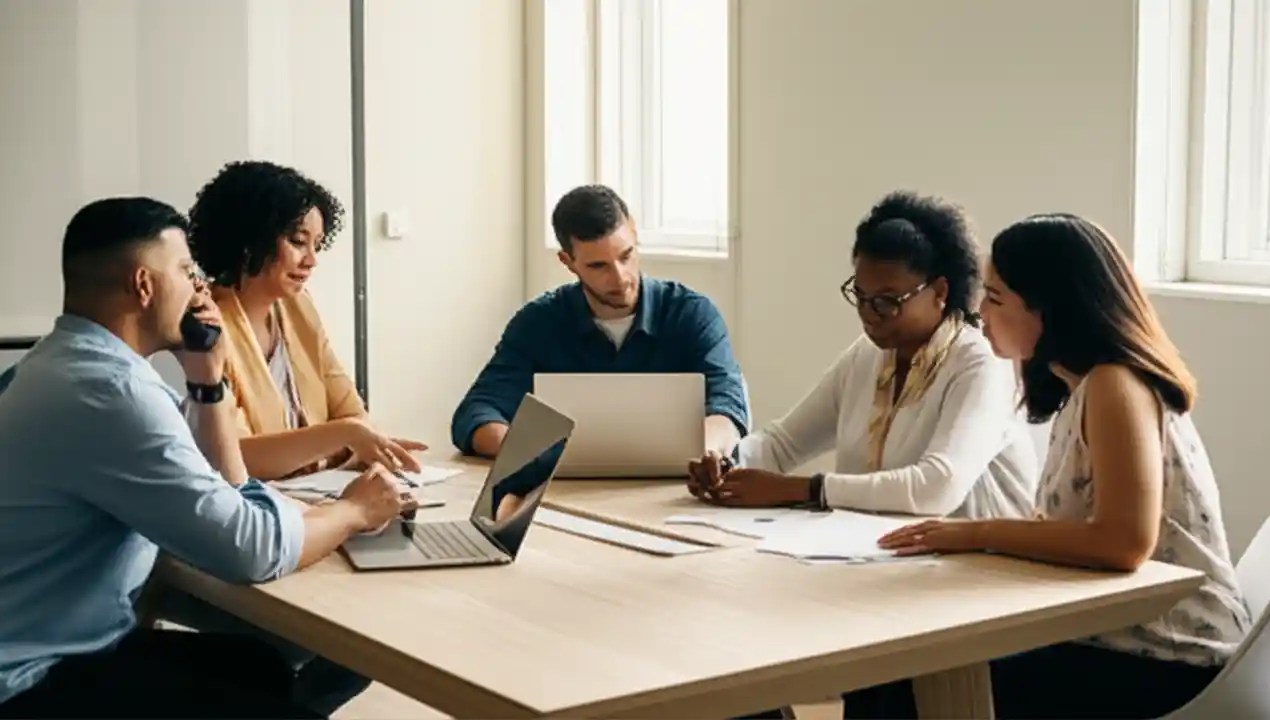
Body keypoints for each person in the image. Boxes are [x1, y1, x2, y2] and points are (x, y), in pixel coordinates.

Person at [787, 214, 1251, 719]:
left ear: (1049, 309)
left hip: (1170, 655)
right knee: (890, 677)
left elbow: (1123, 542)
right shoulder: (1082, 388)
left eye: (996, 297)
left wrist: (973, 533)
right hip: (1115, 638)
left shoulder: (1115, 384)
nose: (980, 312)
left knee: (908, 687)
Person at [0, 198, 414, 718]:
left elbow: (219, 479)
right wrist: (353, 512)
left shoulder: (69, 363)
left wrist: (206, 377)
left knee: (256, 665)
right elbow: (248, 550)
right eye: (185, 271)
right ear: (144, 286)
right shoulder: (107, 391)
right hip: (32, 677)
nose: (199, 287)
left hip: (61, 643)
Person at [689, 191, 1036, 520]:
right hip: (880, 559)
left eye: (887, 301)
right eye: (860, 295)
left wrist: (806, 490)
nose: (869, 313)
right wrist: (726, 463)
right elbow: (782, 445)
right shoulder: (868, 356)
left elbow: (938, 486)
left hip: (984, 572)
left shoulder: (981, 363)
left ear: (939, 291)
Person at [452, 184, 749, 518]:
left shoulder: (691, 313)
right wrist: (528, 453)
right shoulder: (539, 322)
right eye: (598, 266)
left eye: (626, 256)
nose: (619, 277)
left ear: (635, 233)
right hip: (567, 500)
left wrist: (707, 451)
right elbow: (477, 412)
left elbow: (728, 402)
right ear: (568, 262)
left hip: (677, 499)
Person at [187, 160, 427, 482]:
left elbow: (352, 413)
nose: (311, 261)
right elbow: (239, 454)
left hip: (317, 497)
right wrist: (344, 437)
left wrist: (352, 438)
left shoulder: (299, 308)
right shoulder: (207, 326)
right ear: (250, 240)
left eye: (317, 245)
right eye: (298, 242)